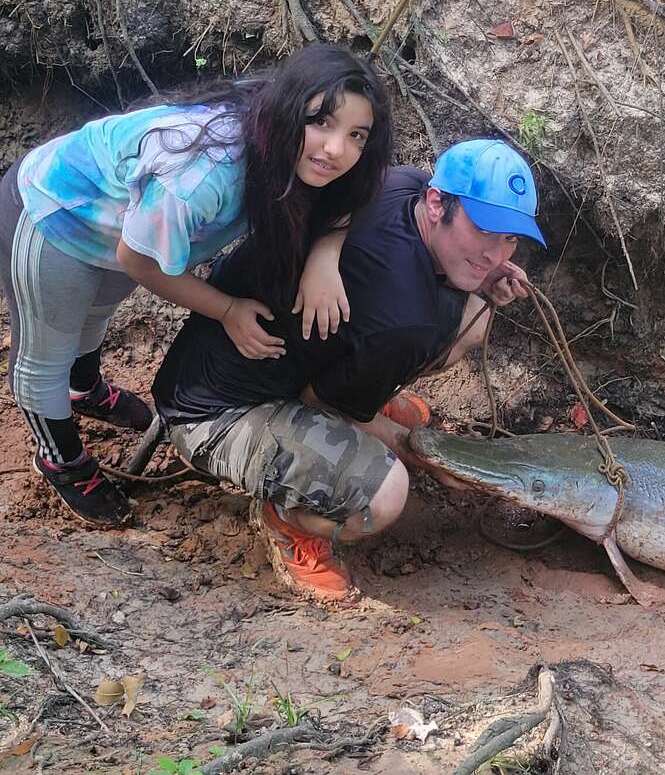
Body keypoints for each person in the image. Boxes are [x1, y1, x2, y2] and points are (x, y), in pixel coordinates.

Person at [0, 44, 392, 528]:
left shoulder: (294, 148)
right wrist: (226, 309)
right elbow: (140, 261)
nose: (337, 149)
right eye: (322, 122)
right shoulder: (204, 176)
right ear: (289, 109)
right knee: (47, 351)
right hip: (54, 213)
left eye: (357, 135)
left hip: (122, 222)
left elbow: (350, 194)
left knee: (96, 311)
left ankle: (82, 390)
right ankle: (59, 458)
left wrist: (325, 255)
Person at [151, 138, 545, 603]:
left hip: (248, 357)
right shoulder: (401, 319)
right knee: (385, 494)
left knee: (467, 325)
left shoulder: (408, 185)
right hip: (216, 411)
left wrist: (484, 274)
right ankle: (288, 523)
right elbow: (324, 404)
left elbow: (410, 293)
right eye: (484, 231)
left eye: (509, 239)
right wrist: (428, 454)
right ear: (439, 204)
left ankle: (364, 386)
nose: (497, 254)